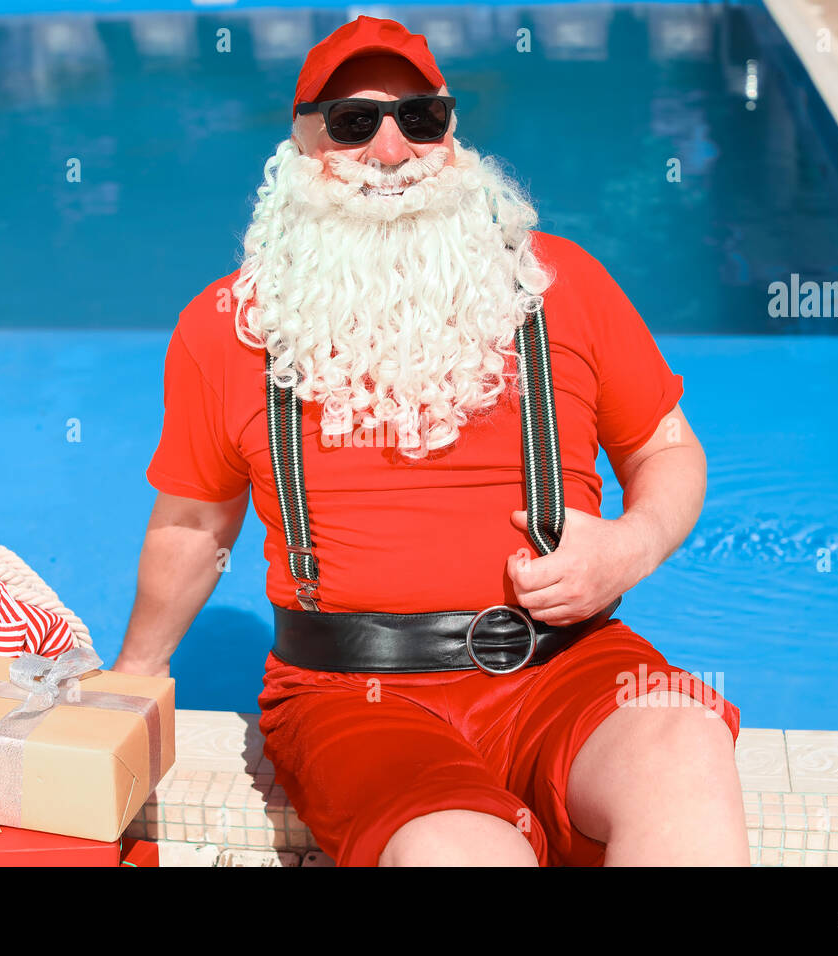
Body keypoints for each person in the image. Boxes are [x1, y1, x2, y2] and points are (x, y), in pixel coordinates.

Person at [115, 15, 747, 867]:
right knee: (465, 853)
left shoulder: (561, 284)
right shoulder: (228, 327)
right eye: (352, 122)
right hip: (356, 697)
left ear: (450, 139)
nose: (390, 148)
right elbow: (194, 523)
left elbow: (666, 448)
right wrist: (135, 676)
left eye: (420, 118)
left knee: (684, 741)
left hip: (570, 667)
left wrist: (630, 547)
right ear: (301, 145)